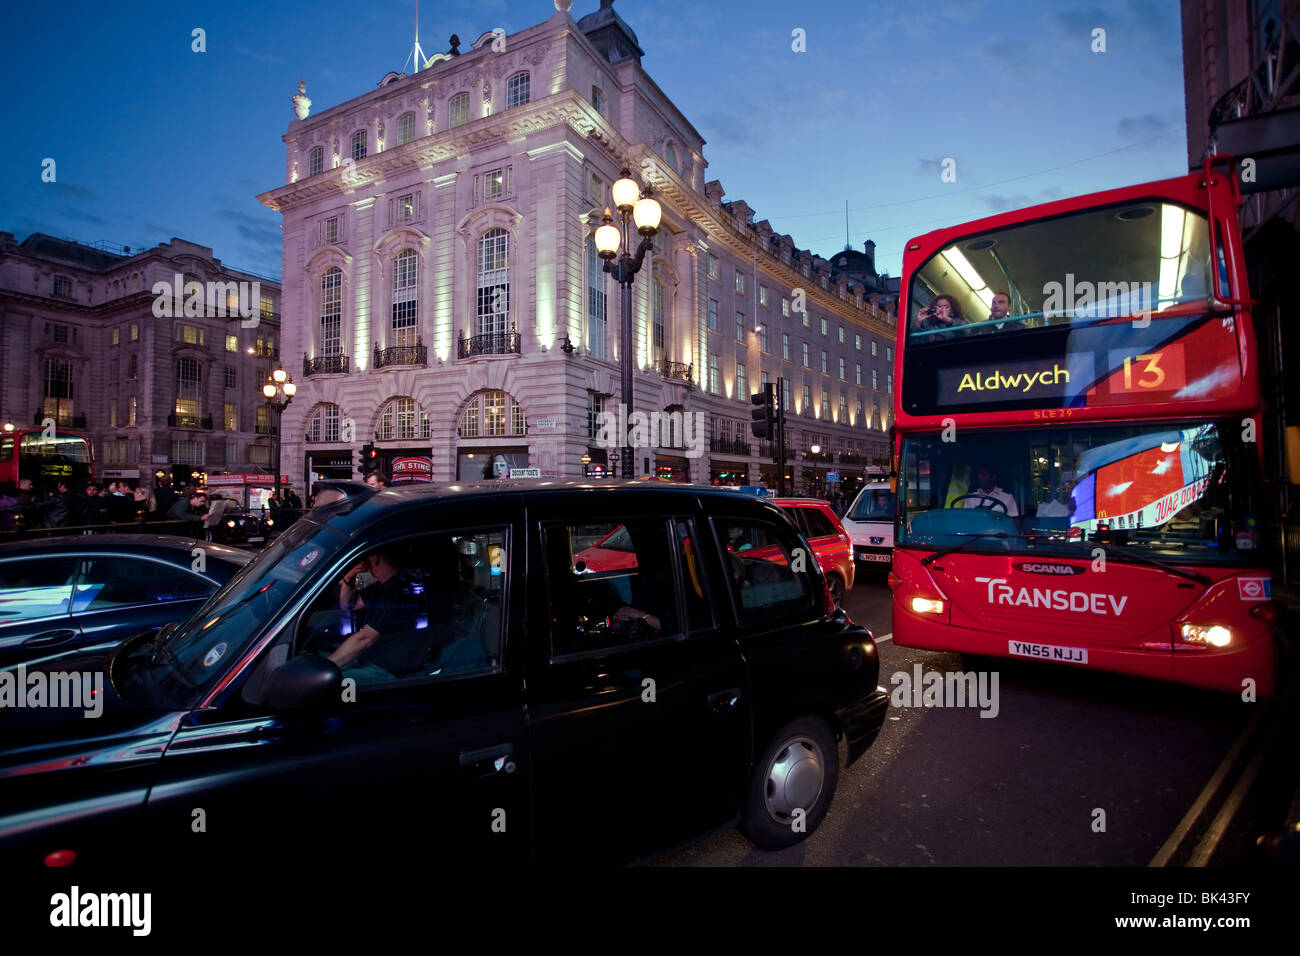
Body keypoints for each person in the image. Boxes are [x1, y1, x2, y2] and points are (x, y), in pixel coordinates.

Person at [329, 549, 425, 673]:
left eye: (364, 556)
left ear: (376, 558)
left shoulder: (397, 589)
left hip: (390, 669)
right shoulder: (377, 580)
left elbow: (364, 639)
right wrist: (348, 580)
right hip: (373, 658)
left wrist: (325, 666)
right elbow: (348, 605)